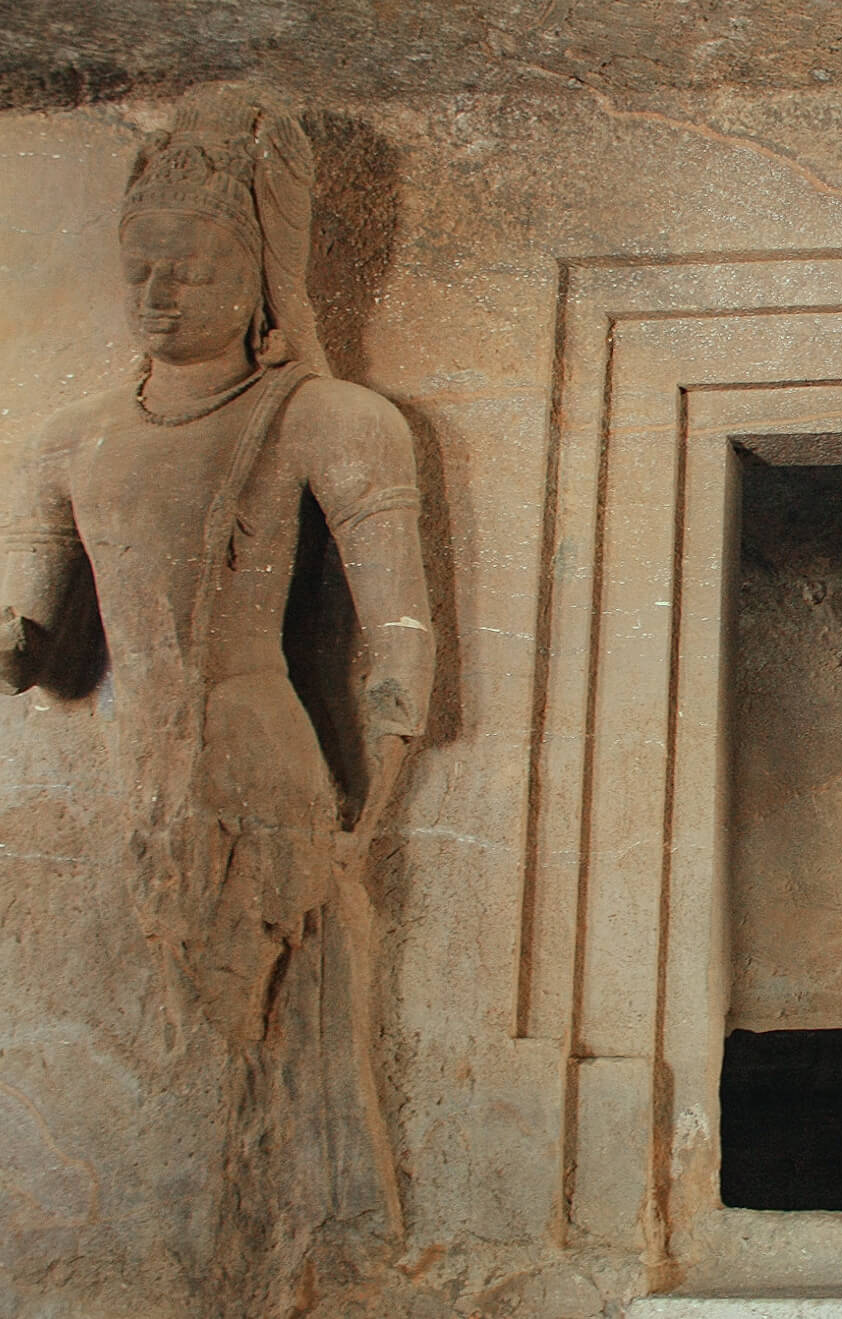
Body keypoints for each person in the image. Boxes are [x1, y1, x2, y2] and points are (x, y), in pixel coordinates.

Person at [0, 82, 432, 1305]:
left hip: (253, 748)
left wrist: (383, 769)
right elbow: (37, 637)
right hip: (133, 764)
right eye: (141, 266)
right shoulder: (71, 439)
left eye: (192, 267)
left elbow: (401, 627)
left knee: (278, 1025)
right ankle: (173, 1250)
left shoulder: (331, 418)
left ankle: (298, 1250)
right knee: (169, 1029)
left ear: (260, 278)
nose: (159, 291)